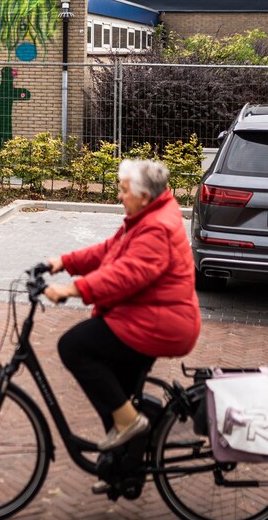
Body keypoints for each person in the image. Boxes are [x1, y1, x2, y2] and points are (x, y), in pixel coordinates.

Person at [43, 158, 201, 454]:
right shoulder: (148, 215)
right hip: (150, 314)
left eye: (124, 190)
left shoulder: (157, 228)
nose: (119, 196)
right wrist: (66, 261)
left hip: (160, 324)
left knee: (73, 346)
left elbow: (125, 275)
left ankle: (129, 426)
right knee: (116, 396)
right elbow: (110, 250)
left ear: (143, 196)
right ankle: (125, 464)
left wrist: (73, 288)